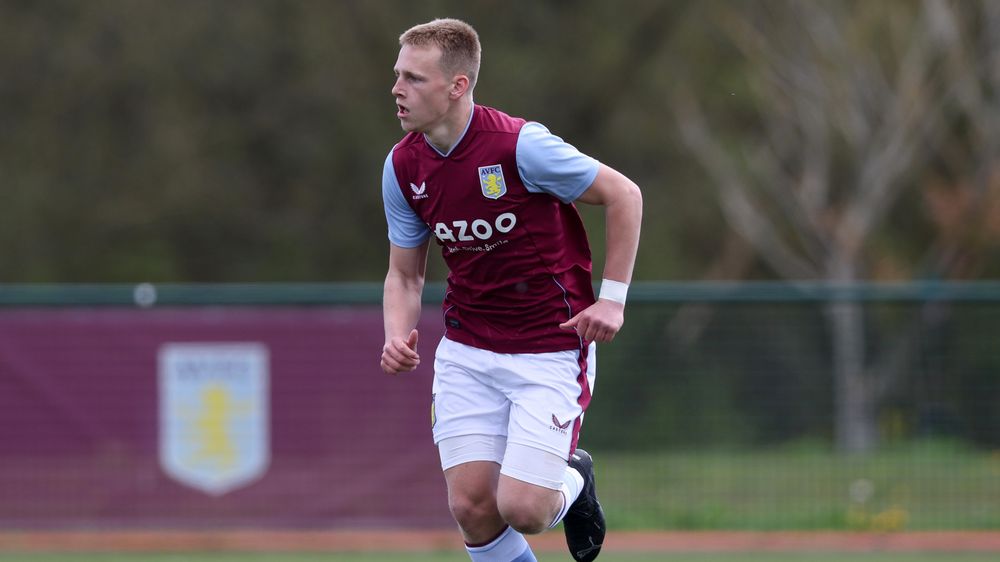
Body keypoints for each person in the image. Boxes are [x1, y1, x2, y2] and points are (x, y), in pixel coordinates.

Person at [379, 18, 642, 562]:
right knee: (473, 510)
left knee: (523, 508)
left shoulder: (521, 147)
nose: (397, 90)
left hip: (549, 346)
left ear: (458, 85)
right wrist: (395, 334)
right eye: (397, 75)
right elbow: (405, 274)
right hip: (469, 350)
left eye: (414, 78)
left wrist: (612, 298)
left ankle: (574, 481)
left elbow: (624, 194)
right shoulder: (403, 166)